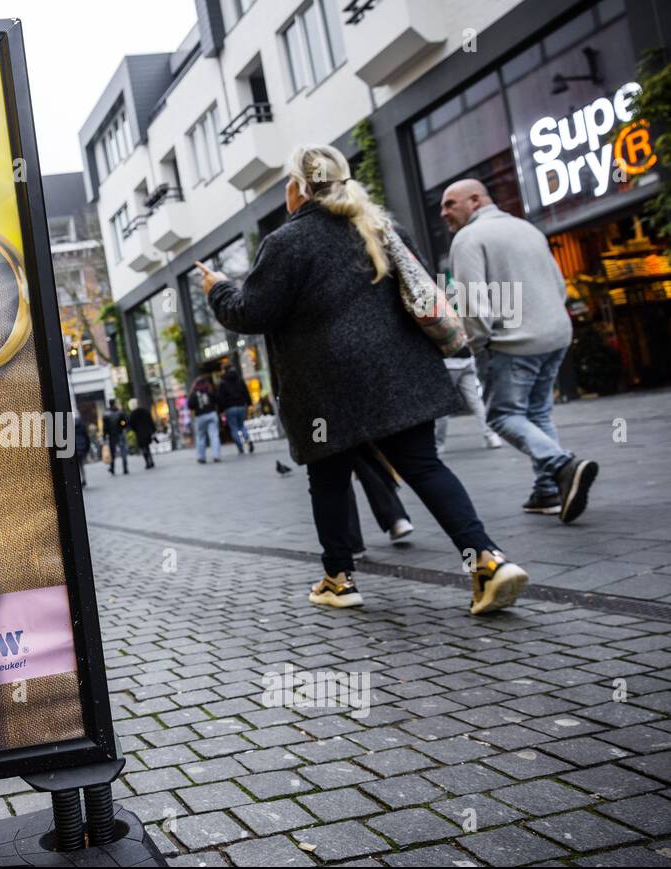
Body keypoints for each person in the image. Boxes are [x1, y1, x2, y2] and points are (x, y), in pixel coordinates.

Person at [201, 144, 528, 615]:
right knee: (424, 465)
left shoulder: (287, 242)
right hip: (401, 374)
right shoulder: (379, 224)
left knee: (329, 477)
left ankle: (339, 580)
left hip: (326, 387)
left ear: (297, 188)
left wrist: (218, 289)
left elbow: (251, 313)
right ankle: (487, 562)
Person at [441, 179, 598, 522]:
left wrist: (480, 343)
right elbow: (559, 285)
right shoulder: (527, 229)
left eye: (451, 203)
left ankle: (562, 464)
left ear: (476, 200)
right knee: (538, 413)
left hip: (512, 342)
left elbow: (472, 302)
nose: (444, 212)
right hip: (554, 335)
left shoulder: (468, 238)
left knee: (503, 416)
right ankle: (548, 491)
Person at [434, 346, 502, 454]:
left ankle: (438, 444)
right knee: (475, 402)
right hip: (467, 360)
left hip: (448, 363)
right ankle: (491, 436)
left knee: (443, 405)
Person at [217, 367, 254, 454]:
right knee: (242, 425)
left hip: (230, 408)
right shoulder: (239, 380)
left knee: (234, 428)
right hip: (241, 406)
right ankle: (247, 439)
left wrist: (221, 410)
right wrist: (249, 403)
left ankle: (240, 446)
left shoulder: (223, 383)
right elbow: (246, 392)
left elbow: (220, 398)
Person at [187, 376, 221, 464]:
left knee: (200, 437)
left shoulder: (194, 393)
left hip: (200, 416)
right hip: (211, 414)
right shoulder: (209, 390)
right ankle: (216, 456)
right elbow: (217, 400)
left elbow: (190, 405)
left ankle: (201, 457)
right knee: (214, 435)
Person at [102, 399, 129, 475]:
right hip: (120, 434)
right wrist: (122, 426)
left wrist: (104, 436)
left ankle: (112, 468)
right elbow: (125, 422)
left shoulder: (106, 414)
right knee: (123, 451)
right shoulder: (120, 412)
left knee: (112, 453)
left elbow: (105, 427)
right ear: (115, 403)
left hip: (112, 435)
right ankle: (125, 468)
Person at [128, 402, 156, 469]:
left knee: (143, 448)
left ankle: (147, 462)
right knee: (147, 447)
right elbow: (150, 420)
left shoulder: (132, 414)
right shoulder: (144, 411)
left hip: (139, 433)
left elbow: (131, 425)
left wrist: (136, 430)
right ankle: (151, 460)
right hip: (147, 431)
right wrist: (152, 429)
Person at [74, 414, 90, 485]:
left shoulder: (70, 427)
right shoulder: (82, 427)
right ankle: (84, 479)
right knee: (81, 464)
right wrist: (87, 448)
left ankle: (79, 479)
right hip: (82, 448)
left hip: (75, 448)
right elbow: (87, 438)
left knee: (77, 465)